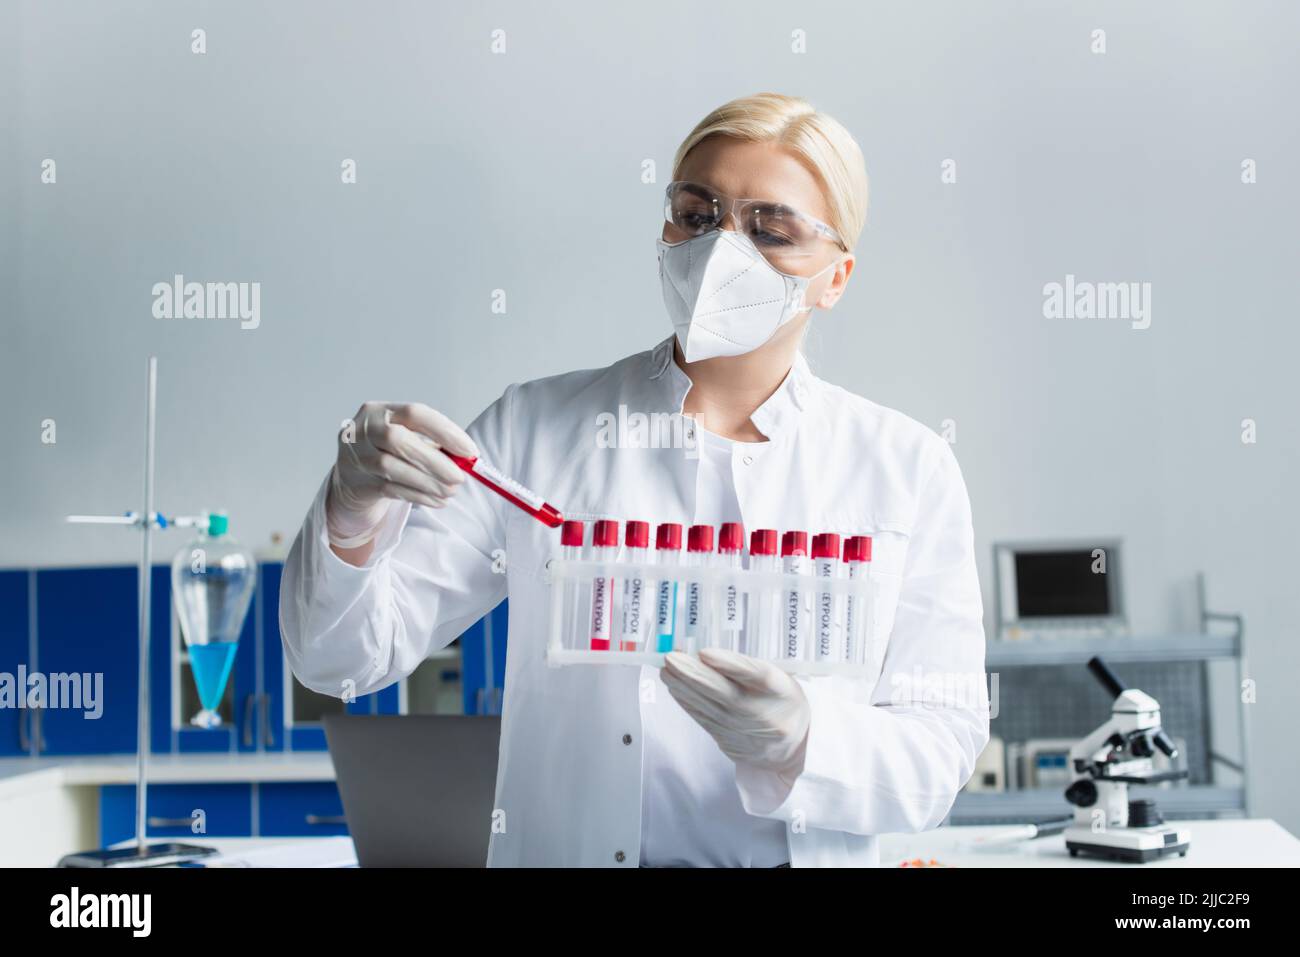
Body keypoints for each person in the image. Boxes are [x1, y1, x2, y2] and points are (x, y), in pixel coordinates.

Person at [280, 92, 989, 867]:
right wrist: (350, 518)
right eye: (697, 211)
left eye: (771, 229)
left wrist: (808, 736)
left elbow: (941, 748)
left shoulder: (906, 467)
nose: (722, 249)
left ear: (836, 277)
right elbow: (340, 660)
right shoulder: (536, 430)